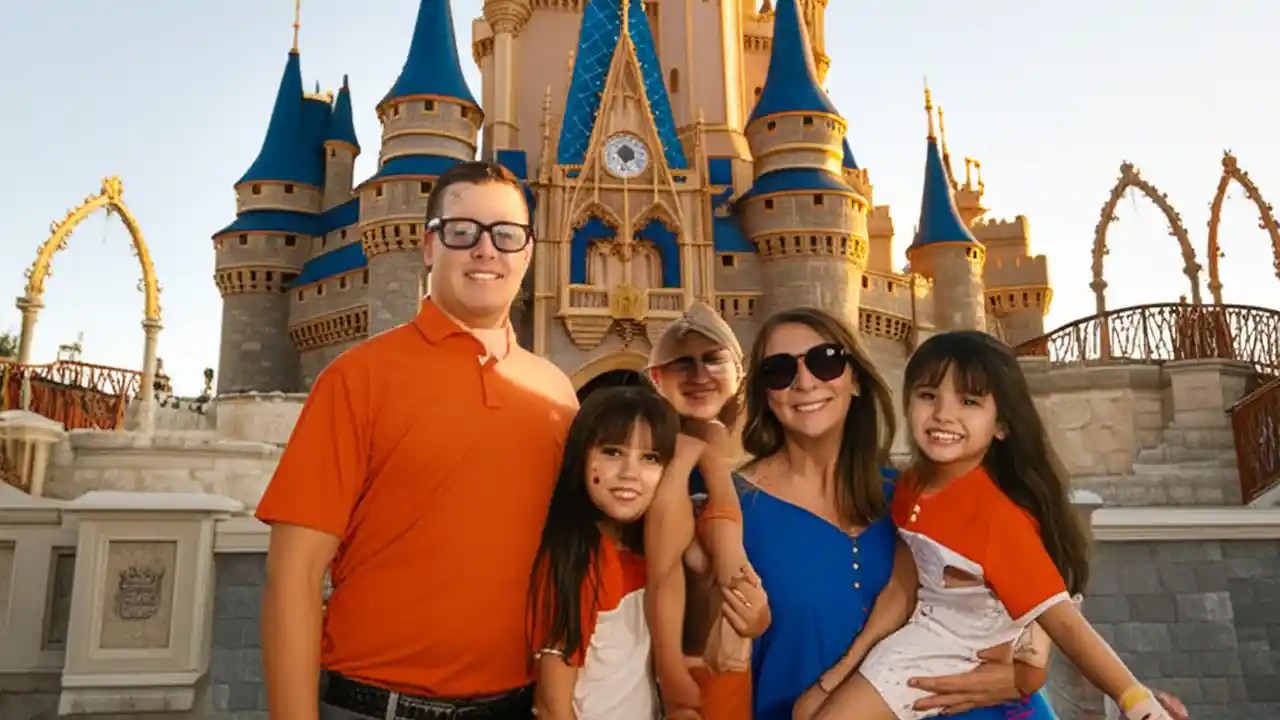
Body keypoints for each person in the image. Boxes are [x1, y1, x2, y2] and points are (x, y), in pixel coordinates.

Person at [255, 160, 579, 720]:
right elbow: (295, 573)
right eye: (462, 232)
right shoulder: (359, 378)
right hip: (375, 707)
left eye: (506, 235)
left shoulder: (557, 395)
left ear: (527, 253)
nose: (485, 251)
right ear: (429, 246)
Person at [798, 331, 1178, 720]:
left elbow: (1064, 621)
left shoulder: (996, 518)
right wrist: (834, 678)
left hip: (949, 653)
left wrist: (1134, 700)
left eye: (969, 401)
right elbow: (902, 587)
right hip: (921, 640)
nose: (944, 413)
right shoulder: (911, 486)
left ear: (1001, 425)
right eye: (928, 395)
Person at [735, 308, 1059, 720]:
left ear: (854, 378)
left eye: (826, 360)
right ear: (764, 390)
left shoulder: (912, 496)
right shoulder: (732, 509)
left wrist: (1027, 666)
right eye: (779, 369)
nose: (805, 381)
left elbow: (1025, 566)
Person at [528, 386, 679, 719]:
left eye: (650, 458)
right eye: (612, 452)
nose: (629, 472)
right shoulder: (577, 560)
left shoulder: (656, 553)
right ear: (582, 456)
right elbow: (552, 706)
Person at [644, 303, 762, 720]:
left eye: (713, 360)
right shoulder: (645, 468)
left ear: (739, 371)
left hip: (756, 677)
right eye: (682, 364)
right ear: (657, 379)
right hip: (670, 683)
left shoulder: (772, 462)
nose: (699, 376)